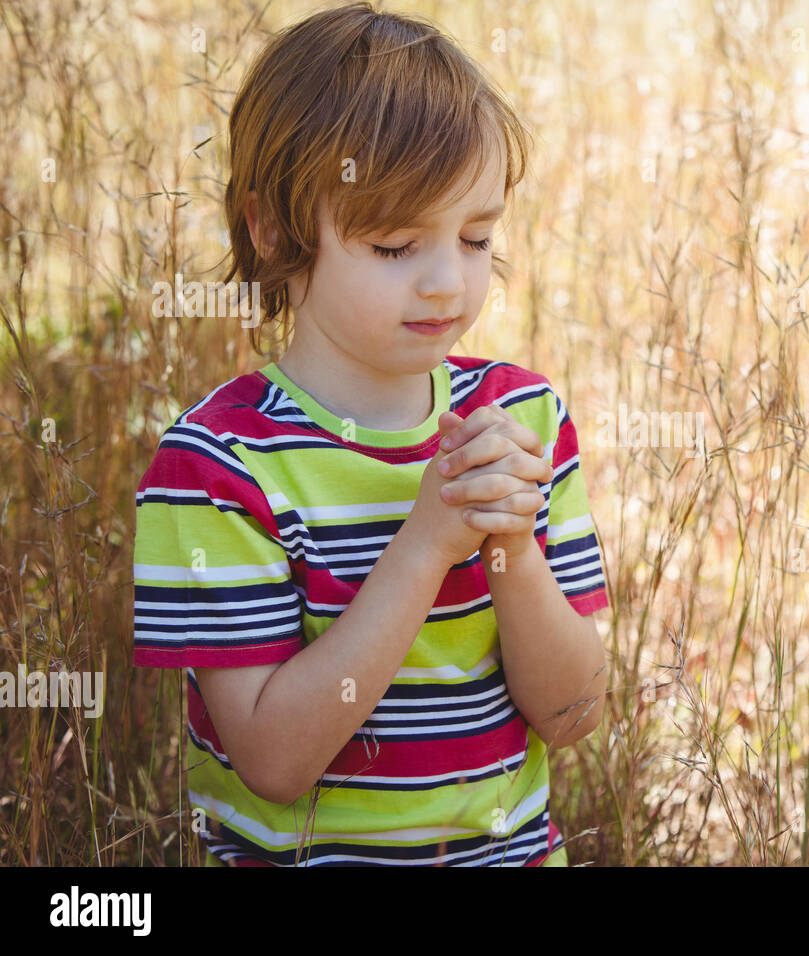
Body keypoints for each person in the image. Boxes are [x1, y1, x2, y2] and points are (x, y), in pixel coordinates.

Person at [131, 2, 609, 866]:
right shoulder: (217, 466)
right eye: (395, 245)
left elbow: (573, 715)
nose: (446, 282)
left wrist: (509, 544)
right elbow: (273, 763)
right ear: (272, 229)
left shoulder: (524, 419)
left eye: (476, 238)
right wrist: (426, 546)